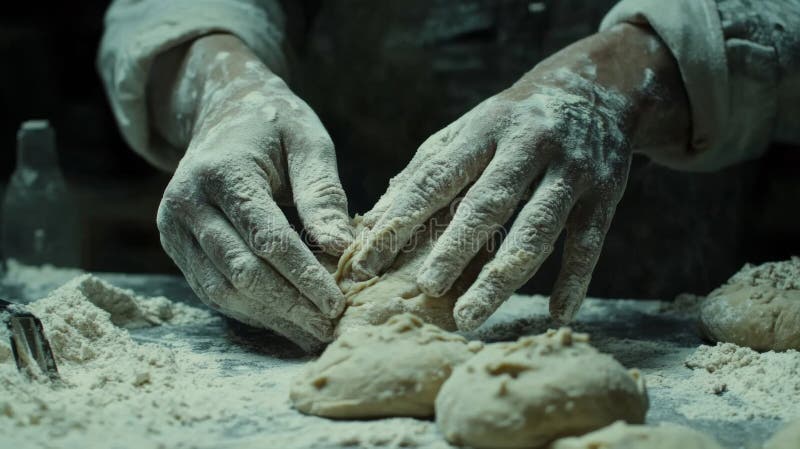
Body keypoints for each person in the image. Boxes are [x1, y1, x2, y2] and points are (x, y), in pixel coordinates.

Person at [98, 0, 800, 350]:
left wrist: (629, 73)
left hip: (667, 315)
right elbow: (162, 8)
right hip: (325, 287)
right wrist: (221, 86)